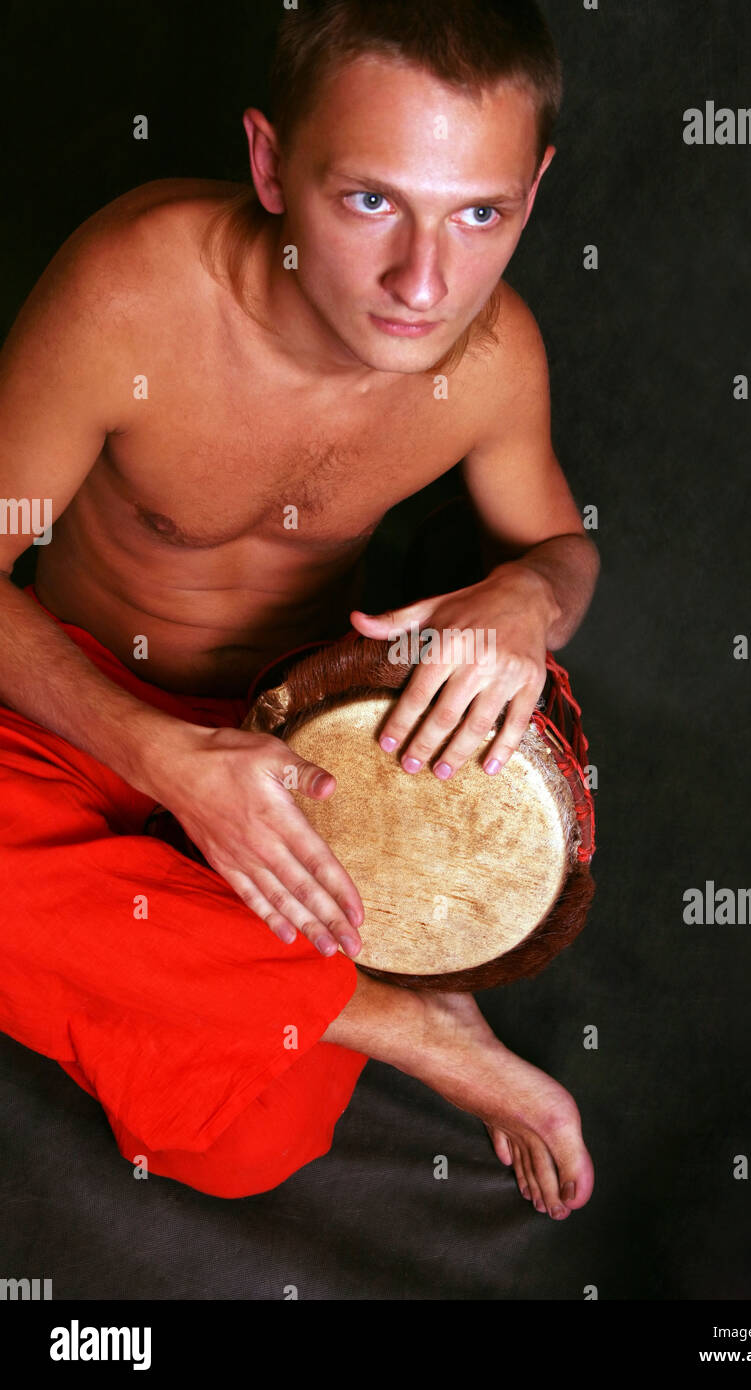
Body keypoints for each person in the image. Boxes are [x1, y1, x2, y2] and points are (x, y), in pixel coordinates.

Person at [0, 0, 599, 1219]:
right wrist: (166, 761)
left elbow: (558, 546)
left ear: (532, 188)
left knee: (243, 1142)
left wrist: (527, 595)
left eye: (478, 213)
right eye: (370, 200)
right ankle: (397, 1018)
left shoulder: (492, 358)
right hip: (75, 720)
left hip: (307, 764)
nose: (424, 280)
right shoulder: (130, 294)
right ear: (271, 164)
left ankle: (213, 961)